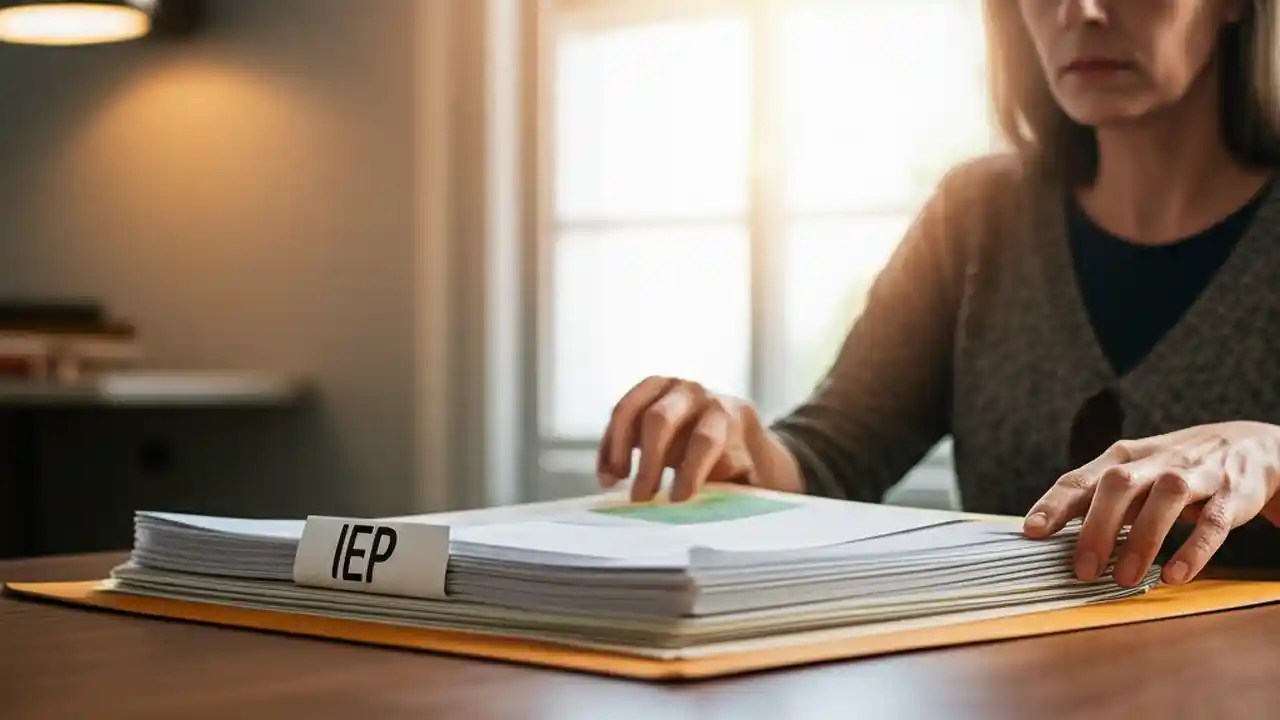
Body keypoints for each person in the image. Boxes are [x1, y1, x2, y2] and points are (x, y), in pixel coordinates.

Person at [595, 0, 1280, 590]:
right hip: (1018, 689)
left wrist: (1270, 453)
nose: (1081, 10)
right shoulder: (978, 215)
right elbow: (832, 457)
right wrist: (741, 447)